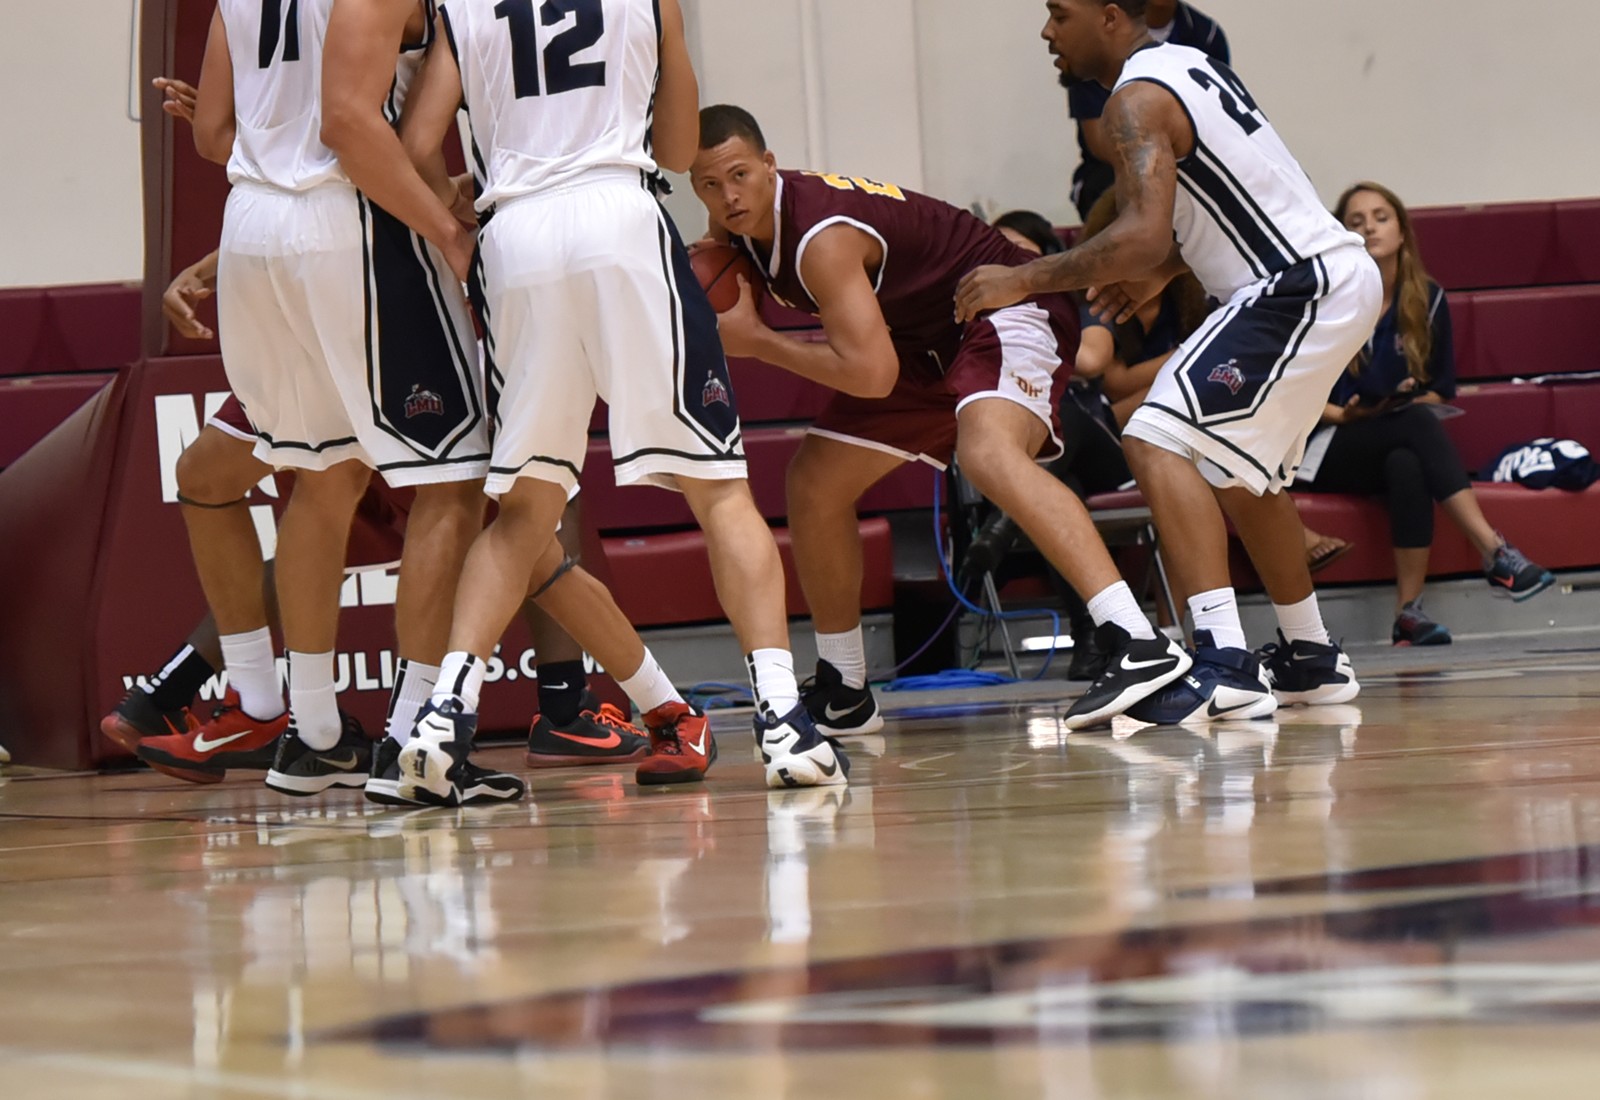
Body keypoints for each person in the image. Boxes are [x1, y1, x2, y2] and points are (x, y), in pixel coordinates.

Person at [377, 0, 848, 794]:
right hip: (619, 223)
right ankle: (783, 720)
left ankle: (443, 712)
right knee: (720, 492)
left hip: (518, 237)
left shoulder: (459, 5)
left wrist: (461, 209)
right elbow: (673, 145)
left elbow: (417, 144)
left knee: (524, 507)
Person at [691, 105, 1194, 733]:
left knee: (989, 455)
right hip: (924, 341)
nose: (729, 196)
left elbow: (870, 375)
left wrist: (760, 341)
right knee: (815, 481)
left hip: (1000, 303)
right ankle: (845, 686)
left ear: (770, 164)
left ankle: (1137, 641)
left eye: (739, 175)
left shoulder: (821, 238)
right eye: (709, 185)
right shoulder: (737, 229)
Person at [956, 0, 1381, 723]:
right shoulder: (1191, 67)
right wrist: (1170, 266)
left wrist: (1023, 277)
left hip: (1292, 286)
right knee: (1246, 475)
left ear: (1112, 15)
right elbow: (1223, 210)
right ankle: (1309, 656)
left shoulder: (1135, 99)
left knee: (1154, 438)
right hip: (1322, 279)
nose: (1046, 31)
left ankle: (1223, 663)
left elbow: (1143, 235)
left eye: (1060, 13)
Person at [192, 0, 533, 801]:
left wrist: (278, 144)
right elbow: (351, 126)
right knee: (450, 480)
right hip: (356, 226)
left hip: (251, 227)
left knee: (320, 473)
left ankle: (312, 734)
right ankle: (415, 735)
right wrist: (447, 235)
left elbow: (213, 134)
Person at [1295, 182, 1555, 644]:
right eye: (1356, 222)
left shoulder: (1427, 299)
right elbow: (1293, 393)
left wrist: (1408, 398)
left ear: (1400, 232)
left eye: (1380, 217)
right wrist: (1343, 415)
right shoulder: (1325, 302)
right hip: (1321, 442)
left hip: (1388, 436)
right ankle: (1494, 550)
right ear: (1344, 237)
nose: (1370, 228)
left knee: (1408, 461)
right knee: (1411, 427)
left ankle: (1407, 614)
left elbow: (1440, 392)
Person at [1061, 0, 1229, 218]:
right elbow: (1099, 141)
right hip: (1112, 168)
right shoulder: (1098, 32)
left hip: (1187, 160)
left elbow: (1215, 120)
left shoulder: (1205, 34)